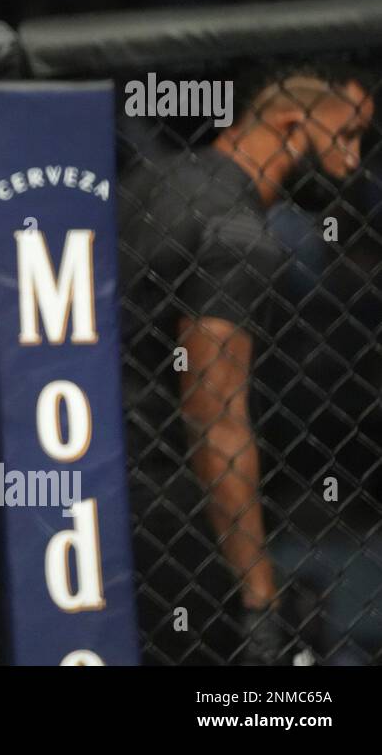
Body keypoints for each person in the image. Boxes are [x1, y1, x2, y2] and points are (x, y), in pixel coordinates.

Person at [118, 62, 374, 664]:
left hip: (88, 475)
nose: (355, 161)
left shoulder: (150, 180)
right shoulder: (241, 235)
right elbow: (217, 418)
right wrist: (258, 593)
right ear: (291, 125)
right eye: (344, 136)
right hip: (171, 511)